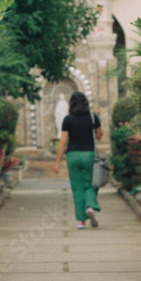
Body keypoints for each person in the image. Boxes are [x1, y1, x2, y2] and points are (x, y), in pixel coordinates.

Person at [53, 91, 103, 229]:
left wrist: (57, 162)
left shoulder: (67, 120)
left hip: (73, 156)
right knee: (92, 183)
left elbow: (63, 142)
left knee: (77, 188)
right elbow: (99, 135)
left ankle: (81, 221)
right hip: (89, 155)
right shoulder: (93, 118)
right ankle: (90, 207)